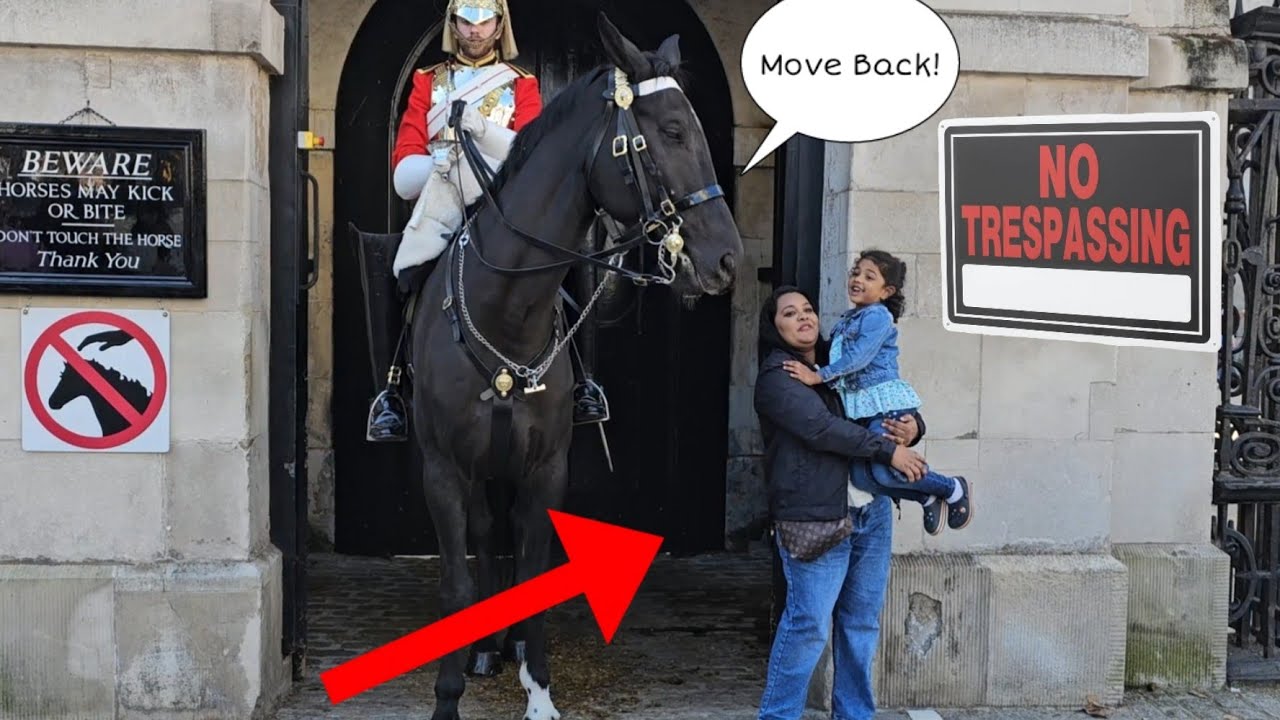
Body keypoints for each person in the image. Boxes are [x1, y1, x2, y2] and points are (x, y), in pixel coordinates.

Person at [363, 0, 609, 442]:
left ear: (499, 25)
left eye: (484, 22)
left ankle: (584, 382)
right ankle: (392, 389)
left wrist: (479, 134)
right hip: (440, 195)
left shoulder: (521, 86)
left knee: (568, 260)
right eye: (466, 21)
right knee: (399, 267)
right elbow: (405, 162)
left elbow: (528, 154)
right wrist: (444, 162)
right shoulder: (427, 82)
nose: (474, 31)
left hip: (506, 204)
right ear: (453, 24)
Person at [754, 284, 928, 720]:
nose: (804, 318)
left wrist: (913, 428)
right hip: (816, 518)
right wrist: (889, 451)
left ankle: (855, 715)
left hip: (872, 512)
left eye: (808, 309)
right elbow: (822, 429)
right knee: (808, 626)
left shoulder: (843, 361)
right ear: (774, 328)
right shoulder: (778, 378)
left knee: (860, 625)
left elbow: (889, 389)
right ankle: (778, 716)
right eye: (790, 314)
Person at [784, 250, 973, 536]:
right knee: (862, 477)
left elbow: (858, 358)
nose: (857, 279)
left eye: (868, 276)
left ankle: (952, 487)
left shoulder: (877, 317)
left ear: (887, 291)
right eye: (855, 273)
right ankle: (926, 496)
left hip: (883, 407)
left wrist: (817, 376)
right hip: (862, 410)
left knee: (884, 470)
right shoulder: (848, 320)